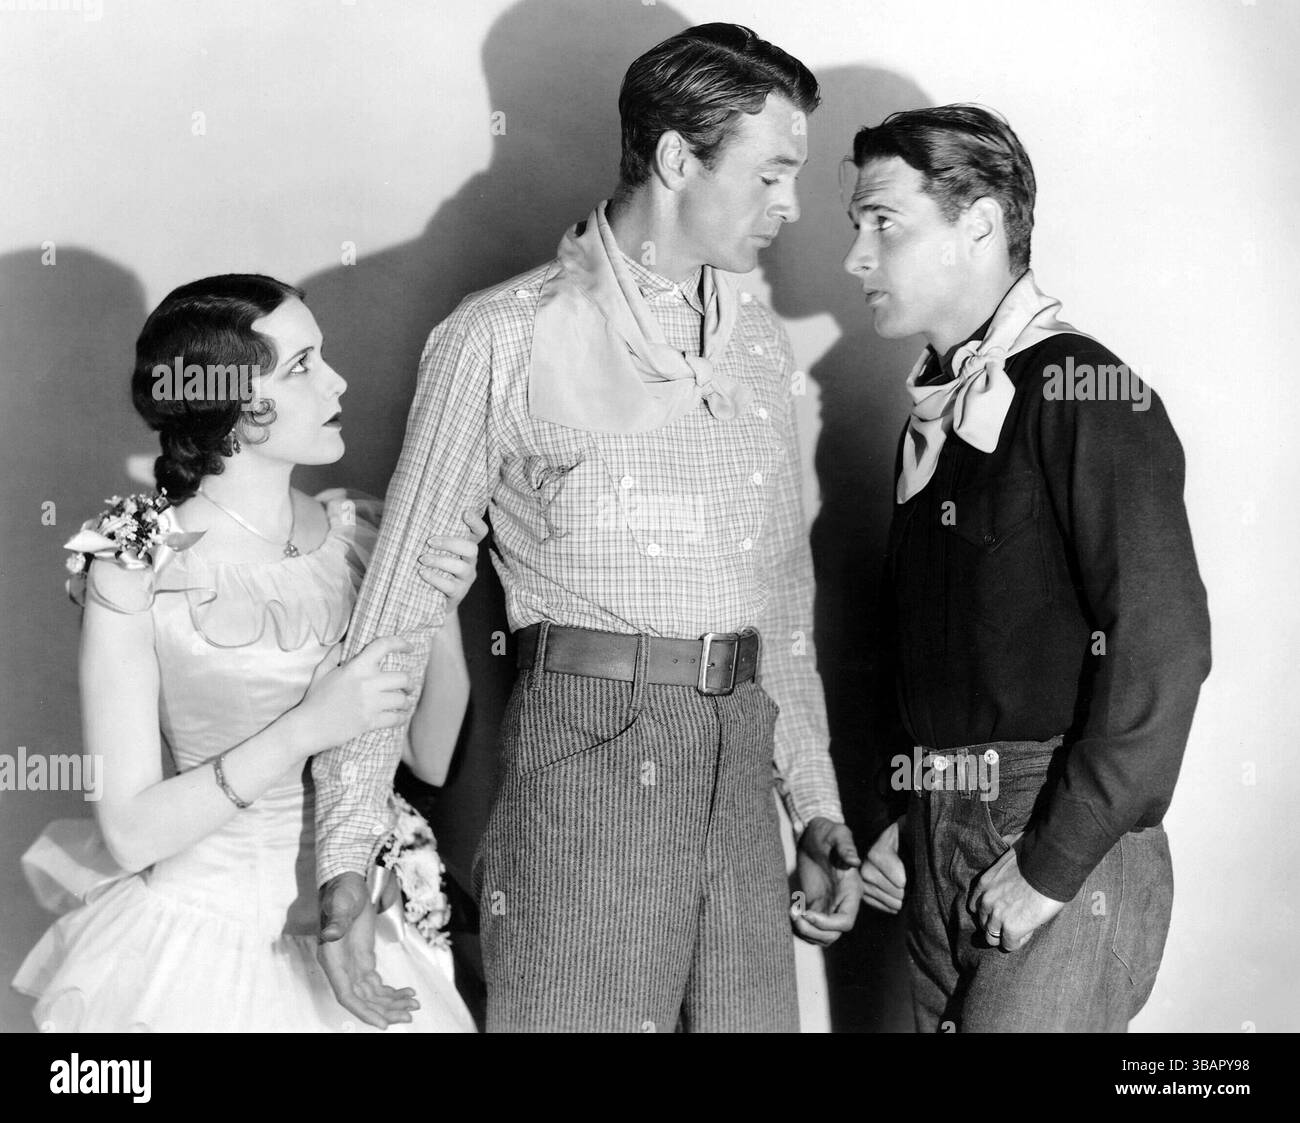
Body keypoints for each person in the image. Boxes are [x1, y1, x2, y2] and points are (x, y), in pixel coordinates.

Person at [314, 23, 863, 1033]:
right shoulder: (499, 337)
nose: (791, 208)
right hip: (585, 763)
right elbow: (396, 607)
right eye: (771, 176)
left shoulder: (751, 343)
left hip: (738, 765)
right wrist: (345, 853)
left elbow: (781, 600)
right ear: (672, 158)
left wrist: (814, 804)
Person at [13, 274, 482, 1032]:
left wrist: (443, 609)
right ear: (231, 405)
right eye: (301, 366)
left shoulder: (363, 533)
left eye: (320, 357)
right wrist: (305, 728)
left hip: (357, 933)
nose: (337, 380)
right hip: (201, 957)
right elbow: (130, 831)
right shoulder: (133, 560)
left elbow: (428, 758)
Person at [846, 106, 1212, 1031]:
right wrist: (910, 813)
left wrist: (1053, 864)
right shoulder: (934, 421)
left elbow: (1164, 648)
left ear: (978, 222)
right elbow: (959, 648)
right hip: (941, 837)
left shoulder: (1089, 390)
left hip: (1052, 839)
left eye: (881, 222)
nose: (855, 256)